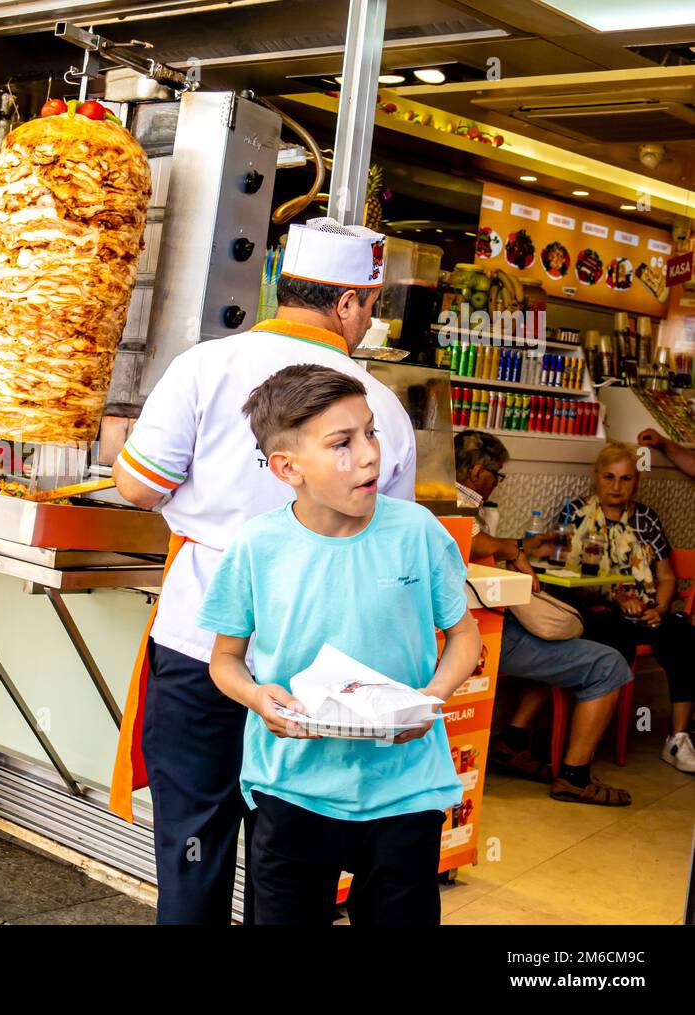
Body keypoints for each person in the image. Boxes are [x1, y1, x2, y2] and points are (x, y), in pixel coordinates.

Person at [108, 218, 417, 924]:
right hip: (316, 666)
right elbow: (387, 551)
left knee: (194, 838)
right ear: (346, 304)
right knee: (292, 863)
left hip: (200, 643)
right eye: (369, 305)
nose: (368, 322)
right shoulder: (384, 414)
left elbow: (137, 486)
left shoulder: (203, 367)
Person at [199, 364, 481, 925]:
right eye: (342, 444)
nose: (371, 455)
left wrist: (432, 696)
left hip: (405, 787)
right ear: (288, 468)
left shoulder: (418, 531)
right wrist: (258, 698)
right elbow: (225, 660)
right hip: (294, 786)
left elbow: (464, 636)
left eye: (370, 433)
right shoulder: (258, 546)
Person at [453, 430, 633, 805]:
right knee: (608, 662)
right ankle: (574, 776)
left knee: (561, 640)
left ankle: (514, 740)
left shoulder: (426, 495)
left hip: (470, 631)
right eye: (496, 475)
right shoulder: (459, 504)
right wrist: (513, 551)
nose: (496, 484)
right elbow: (470, 541)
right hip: (485, 634)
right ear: (475, 472)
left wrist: (520, 548)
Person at [559, 442, 695, 774]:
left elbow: (665, 576)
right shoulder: (575, 513)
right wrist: (614, 598)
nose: (617, 487)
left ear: (637, 482)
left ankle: (677, 739)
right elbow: (565, 576)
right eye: (609, 477)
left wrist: (660, 608)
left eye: (626, 479)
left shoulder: (646, 518)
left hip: (645, 611)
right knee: (610, 641)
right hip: (597, 611)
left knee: (683, 637)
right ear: (596, 478)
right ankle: (591, 737)